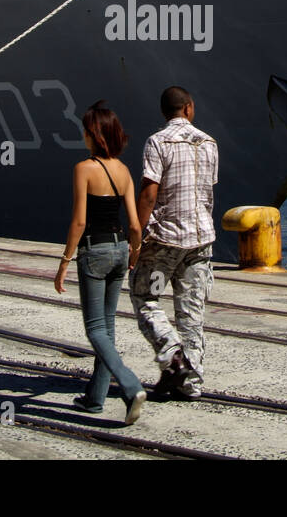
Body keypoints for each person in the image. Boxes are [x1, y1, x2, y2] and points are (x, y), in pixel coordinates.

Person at [53, 101, 145, 425]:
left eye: (86, 129)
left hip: (94, 251)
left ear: (94, 134)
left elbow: (79, 221)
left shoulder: (84, 168)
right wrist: (133, 253)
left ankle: (131, 385)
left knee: (95, 330)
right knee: (108, 327)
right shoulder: (124, 171)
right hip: (121, 249)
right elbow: (135, 224)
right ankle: (94, 398)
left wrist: (64, 261)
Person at [131, 86, 218, 399]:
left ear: (164, 111)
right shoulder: (209, 142)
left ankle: (171, 352)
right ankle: (191, 384)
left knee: (144, 297)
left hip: (165, 240)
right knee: (192, 313)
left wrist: (136, 233)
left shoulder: (158, 142)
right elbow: (208, 191)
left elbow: (149, 192)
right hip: (201, 242)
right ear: (190, 108)